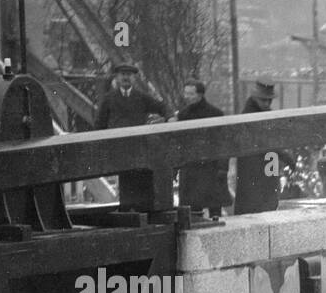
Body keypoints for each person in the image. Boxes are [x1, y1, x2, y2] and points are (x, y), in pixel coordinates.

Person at [95, 64, 170, 211]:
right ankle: (127, 212)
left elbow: (162, 107)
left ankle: (144, 211)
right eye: (122, 74)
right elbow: (99, 124)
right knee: (125, 180)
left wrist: (171, 117)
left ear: (133, 78)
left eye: (129, 75)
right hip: (119, 148)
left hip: (138, 147)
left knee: (142, 178)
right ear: (117, 77)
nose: (125, 78)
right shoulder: (109, 98)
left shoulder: (141, 97)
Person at [173, 80, 231, 219]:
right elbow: (179, 144)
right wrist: (176, 167)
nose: (186, 96)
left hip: (211, 169)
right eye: (185, 93)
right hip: (191, 170)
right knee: (193, 212)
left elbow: (222, 142)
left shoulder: (215, 114)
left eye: (190, 94)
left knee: (215, 211)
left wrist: (223, 167)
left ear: (200, 95)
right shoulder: (183, 115)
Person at [233, 80, 289, 215]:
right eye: (263, 100)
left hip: (271, 162)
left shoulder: (268, 114)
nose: (267, 104)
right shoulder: (248, 115)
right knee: (255, 205)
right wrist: (285, 156)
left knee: (271, 201)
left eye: (269, 101)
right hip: (254, 168)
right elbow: (265, 142)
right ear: (255, 97)